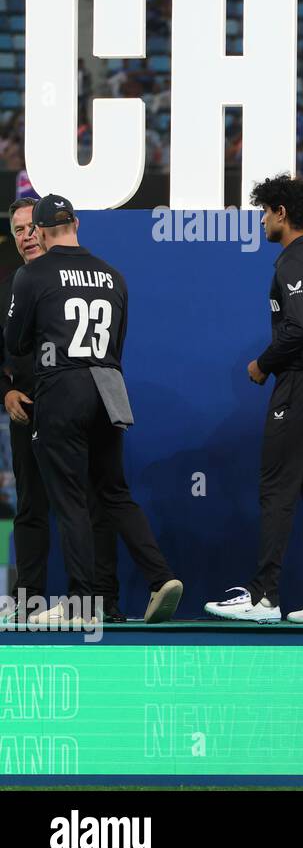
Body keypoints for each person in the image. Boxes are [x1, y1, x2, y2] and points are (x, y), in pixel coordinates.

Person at [3, 194, 183, 626]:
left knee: (69, 502)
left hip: (62, 389)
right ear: (77, 223)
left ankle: (82, 602)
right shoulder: (113, 276)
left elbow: (16, 343)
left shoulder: (33, 275)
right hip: (109, 386)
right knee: (114, 494)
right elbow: (116, 343)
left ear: (43, 231)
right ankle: (161, 577)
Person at [204, 174, 303, 624]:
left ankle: (263, 597)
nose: (263, 221)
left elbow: (301, 328)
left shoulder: (292, 262)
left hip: (301, 381)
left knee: (276, 488)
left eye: (265, 212)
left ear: (281, 213)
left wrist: (264, 364)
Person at [0, 199, 121, 622]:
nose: (26, 235)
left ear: (48, 229)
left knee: (90, 502)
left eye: (32, 226)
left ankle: (100, 601)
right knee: (31, 506)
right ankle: (28, 600)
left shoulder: (69, 278)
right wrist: (6, 393)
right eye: (17, 230)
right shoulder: (16, 282)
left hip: (72, 406)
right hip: (27, 408)